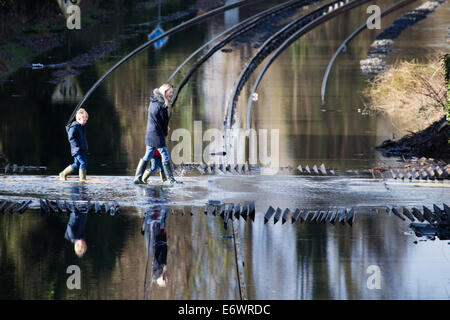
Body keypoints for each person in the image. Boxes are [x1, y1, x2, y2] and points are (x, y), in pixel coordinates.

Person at [134, 83, 181, 185]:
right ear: (164, 92)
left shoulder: (153, 102)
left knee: (148, 155)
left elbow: (157, 120)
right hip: (157, 135)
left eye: (172, 93)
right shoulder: (162, 105)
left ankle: (138, 178)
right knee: (165, 154)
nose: (171, 94)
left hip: (149, 134)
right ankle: (170, 180)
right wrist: (166, 132)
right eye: (170, 92)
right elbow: (164, 123)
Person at [59, 108, 89, 182]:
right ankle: (82, 179)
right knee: (83, 163)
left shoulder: (81, 127)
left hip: (81, 149)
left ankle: (63, 174)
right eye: (84, 120)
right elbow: (71, 138)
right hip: (77, 150)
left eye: (86, 120)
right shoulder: (74, 127)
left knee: (77, 164)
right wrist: (77, 146)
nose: (86, 121)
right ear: (79, 119)